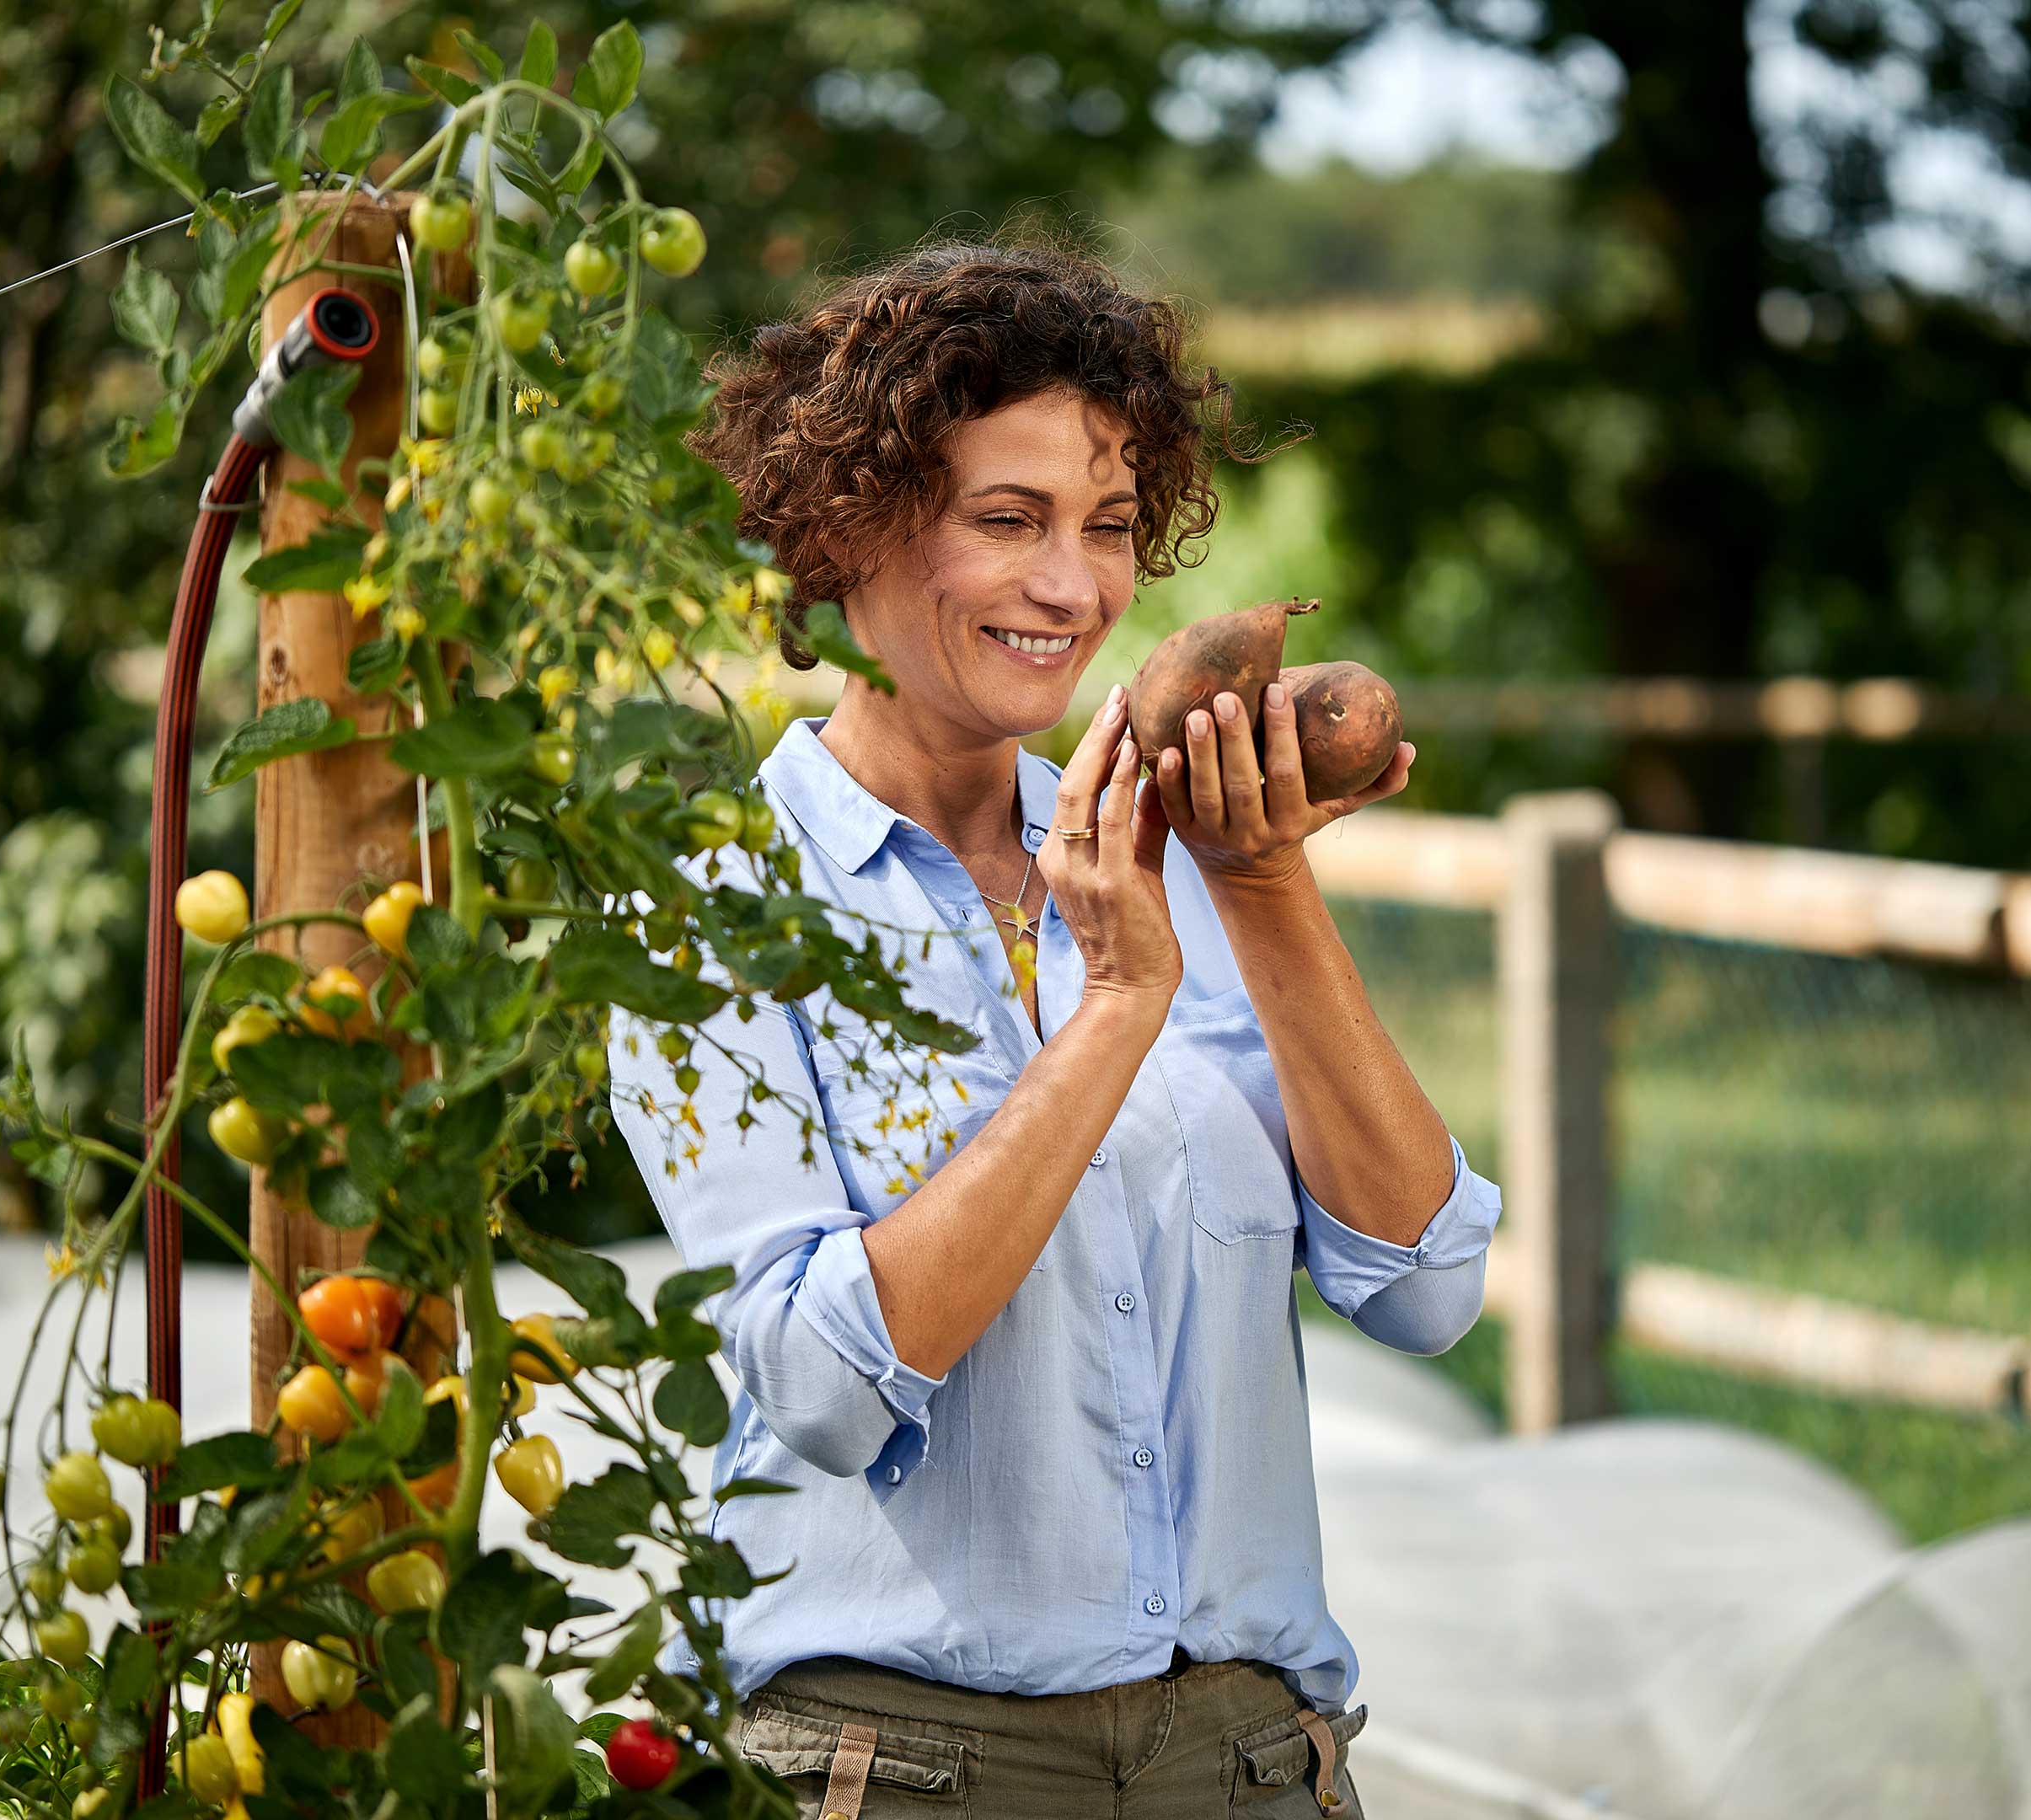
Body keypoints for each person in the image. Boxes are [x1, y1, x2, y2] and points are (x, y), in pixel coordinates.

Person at [609, 237, 1502, 1817]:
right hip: (915, 1776)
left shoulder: (1187, 859)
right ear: (842, 533)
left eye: (1105, 528)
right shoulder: (709, 914)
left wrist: (1265, 883)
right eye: (1005, 521)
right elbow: (819, 1385)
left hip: (1253, 1766)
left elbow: (1426, 1290)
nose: (1073, 587)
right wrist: (1117, 1006)